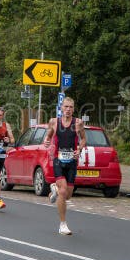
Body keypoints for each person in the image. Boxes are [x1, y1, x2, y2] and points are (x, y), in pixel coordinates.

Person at [43, 97, 87, 235]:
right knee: (63, 191)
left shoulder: (78, 123)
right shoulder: (54, 122)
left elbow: (84, 139)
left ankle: (54, 189)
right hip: (58, 160)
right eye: (66, 106)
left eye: (71, 107)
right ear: (61, 107)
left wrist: (79, 149)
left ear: (73, 109)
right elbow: (49, 135)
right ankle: (63, 224)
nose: (68, 109)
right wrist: (47, 141)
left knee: (67, 195)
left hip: (72, 162)